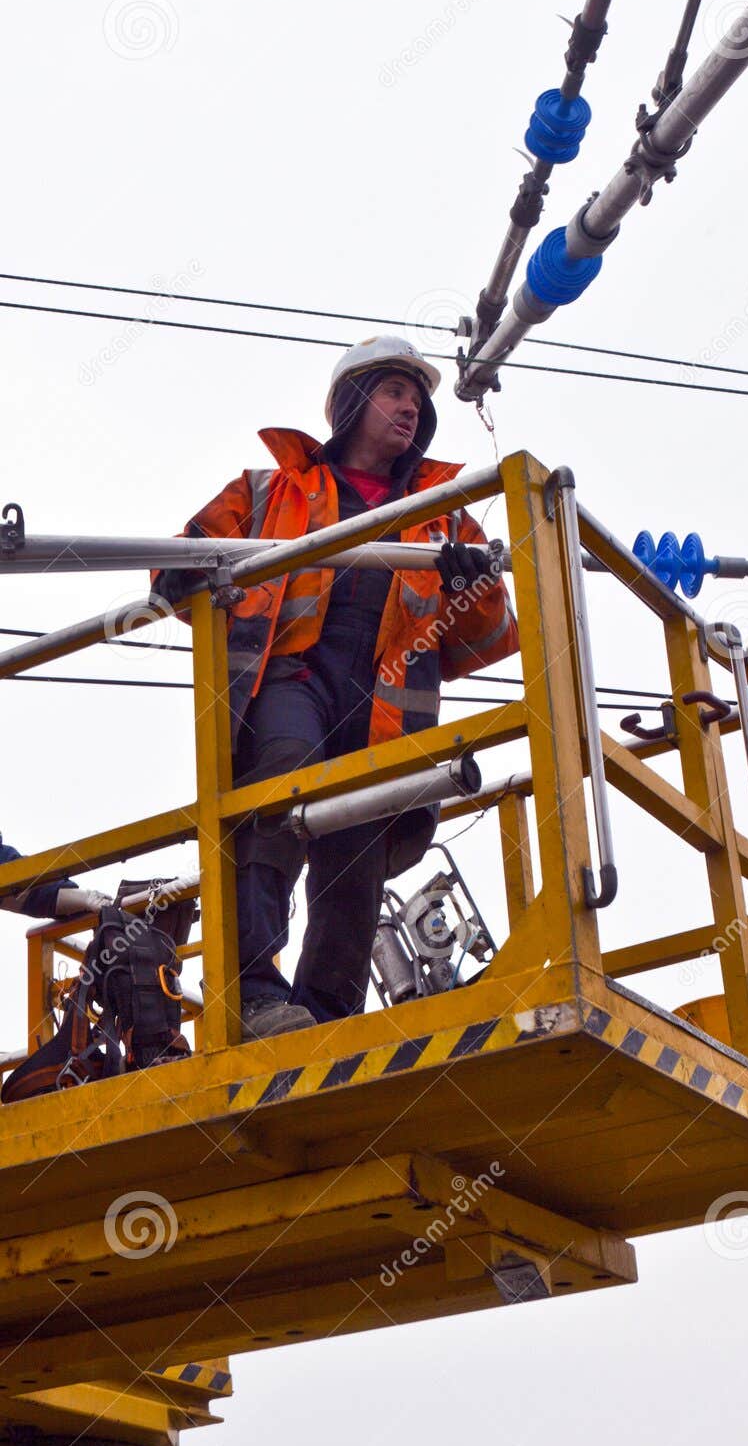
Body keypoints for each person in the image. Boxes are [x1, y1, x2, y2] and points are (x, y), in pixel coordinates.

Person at [155, 336, 518, 1041]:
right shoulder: (271, 491)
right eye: (393, 394)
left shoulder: (444, 509)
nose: (409, 410)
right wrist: (176, 576)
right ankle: (255, 993)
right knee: (281, 788)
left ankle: (326, 1017)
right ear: (352, 403)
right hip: (296, 677)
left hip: (385, 701)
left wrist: (468, 580)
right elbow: (190, 550)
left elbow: (486, 630)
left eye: (417, 402)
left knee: (358, 841)